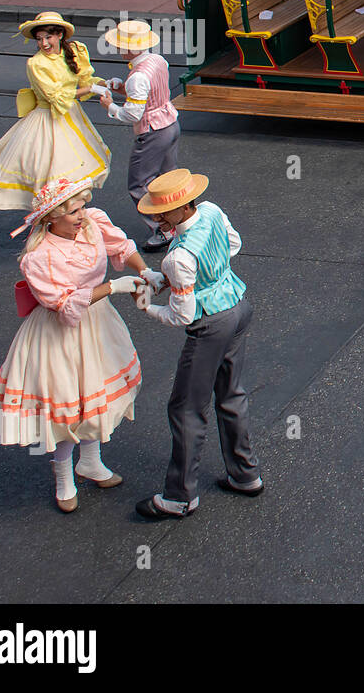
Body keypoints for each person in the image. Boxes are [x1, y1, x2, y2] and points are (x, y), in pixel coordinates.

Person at [0, 176, 148, 513]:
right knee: (67, 402)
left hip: (98, 323)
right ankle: (63, 476)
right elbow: (65, 305)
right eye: (73, 211)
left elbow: (121, 247)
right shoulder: (38, 258)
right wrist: (114, 288)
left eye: (83, 205)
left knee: (94, 395)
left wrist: (146, 272)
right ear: (52, 217)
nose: (82, 214)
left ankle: (91, 461)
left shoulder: (93, 223)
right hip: (60, 332)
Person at [133, 168, 263, 520]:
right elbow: (233, 245)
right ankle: (245, 474)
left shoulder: (177, 257)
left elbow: (182, 316)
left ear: (181, 207)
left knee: (185, 408)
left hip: (210, 325)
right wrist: (174, 279)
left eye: (161, 212)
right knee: (232, 394)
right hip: (238, 306)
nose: (156, 218)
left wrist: (148, 308)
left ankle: (178, 498)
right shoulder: (212, 211)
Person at [0, 12, 111, 211]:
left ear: (60, 35)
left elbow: (86, 80)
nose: (43, 43)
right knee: (51, 173)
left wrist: (106, 83)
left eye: (48, 37)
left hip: (71, 117)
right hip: (48, 120)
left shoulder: (76, 50)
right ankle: (50, 219)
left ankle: (70, 216)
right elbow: (56, 96)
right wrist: (92, 89)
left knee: (76, 169)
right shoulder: (37, 64)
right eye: (39, 39)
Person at [98, 19, 181, 253]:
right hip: (171, 123)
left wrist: (110, 106)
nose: (118, 49)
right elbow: (150, 91)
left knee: (138, 184)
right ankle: (179, 220)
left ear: (130, 48)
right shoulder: (158, 60)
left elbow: (133, 114)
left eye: (121, 45)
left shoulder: (137, 77)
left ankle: (163, 229)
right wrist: (122, 87)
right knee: (168, 178)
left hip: (152, 131)